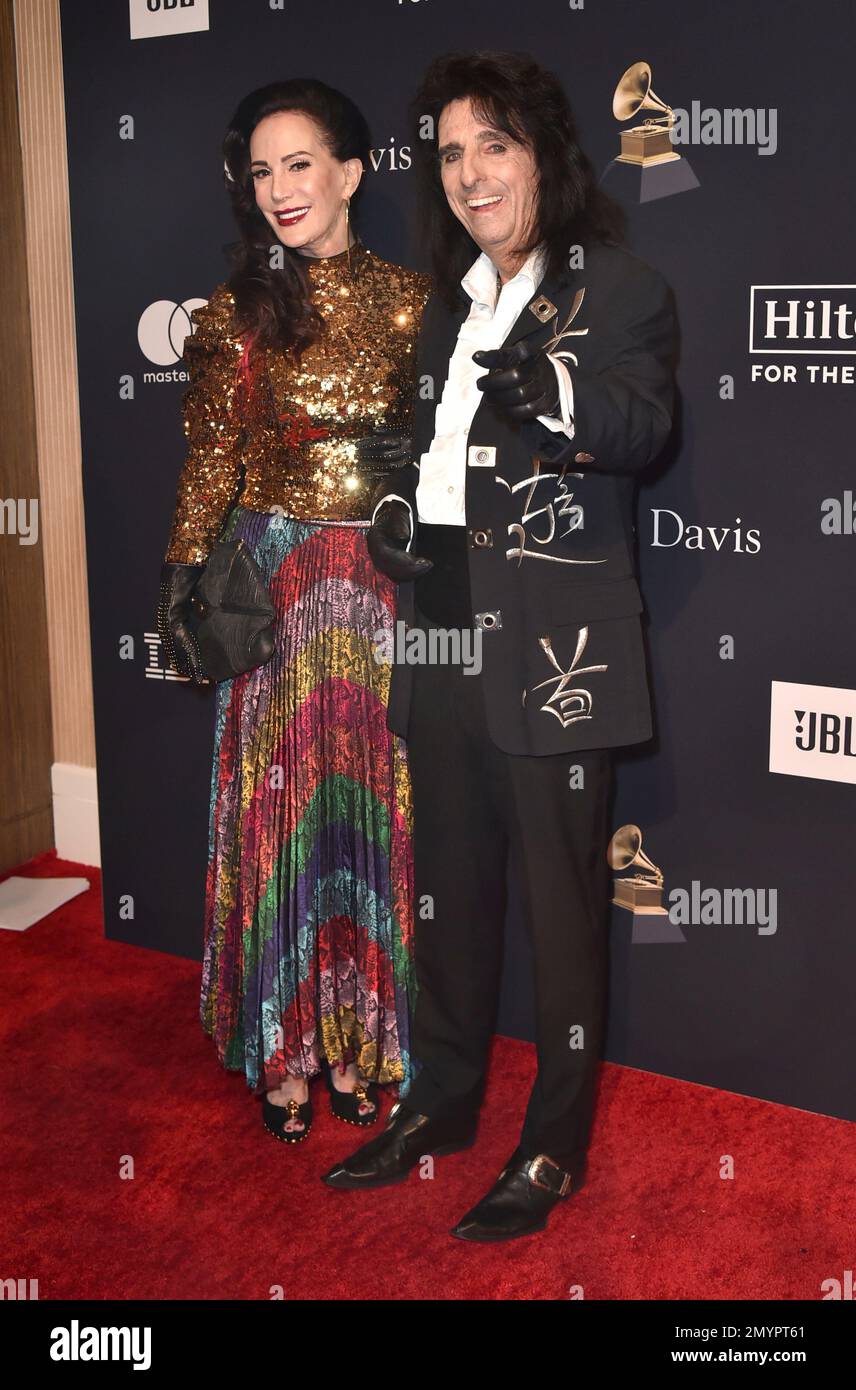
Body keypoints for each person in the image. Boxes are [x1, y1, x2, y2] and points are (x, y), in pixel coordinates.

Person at [322, 51, 677, 1239]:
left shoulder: (618, 287)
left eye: (495, 146)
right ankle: (442, 1100)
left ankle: (553, 1146)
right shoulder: (443, 304)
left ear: (543, 158)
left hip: (555, 646)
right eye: (452, 151)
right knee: (450, 893)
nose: (471, 173)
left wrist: (553, 397)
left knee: (566, 910)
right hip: (440, 628)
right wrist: (397, 525)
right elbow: (430, 470)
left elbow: (640, 425)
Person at [157, 79, 431, 1143]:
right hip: (272, 591)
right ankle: (285, 1049)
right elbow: (211, 462)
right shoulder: (235, 312)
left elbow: (446, 462)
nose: (278, 190)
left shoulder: (416, 304)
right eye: (260, 171)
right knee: (279, 817)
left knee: (369, 809)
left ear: (352, 173)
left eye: (300, 164)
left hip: (378, 590)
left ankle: (366, 1039)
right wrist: (183, 579)